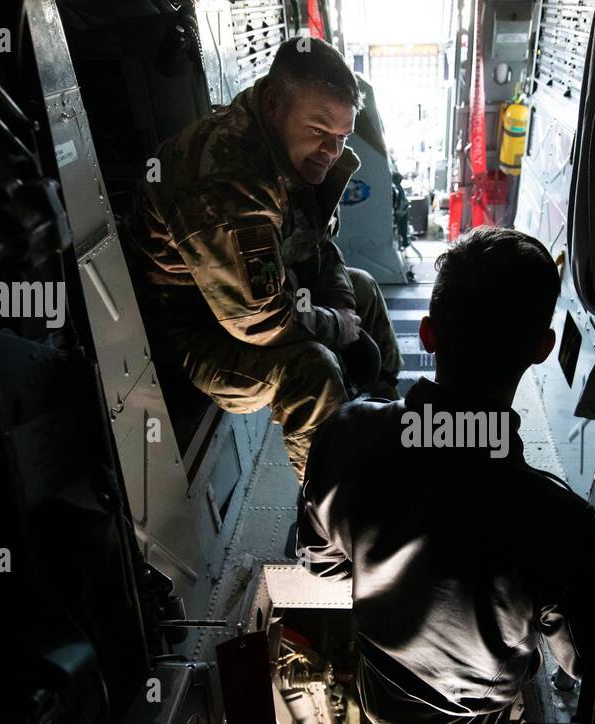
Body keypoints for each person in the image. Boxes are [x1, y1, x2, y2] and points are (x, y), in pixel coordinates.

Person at [297, 226, 595, 724]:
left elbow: (320, 566)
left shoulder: (346, 435)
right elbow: (586, 664)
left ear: (429, 334)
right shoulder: (558, 524)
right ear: (541, 349)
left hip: (381, 685)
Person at [125, 37, 401, 481]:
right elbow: (260, 321)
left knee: (363, 288)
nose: (331, 152)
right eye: (318, 130)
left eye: (341, 137)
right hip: (197, 332)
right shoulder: (228, 180)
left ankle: (384, 417)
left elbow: (317, 244)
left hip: (265, 291)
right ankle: (326, 521)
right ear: (273, 104)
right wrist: (338, 328)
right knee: (313, 371)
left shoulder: (292, 149)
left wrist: (344, 308)